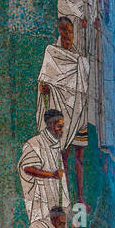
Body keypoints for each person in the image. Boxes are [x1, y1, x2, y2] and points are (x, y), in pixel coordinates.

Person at [36, 16, 89, 206]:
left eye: (69, 30)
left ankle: (81, 197)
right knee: (63, 155)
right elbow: (44, 82)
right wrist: (45, 90)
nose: (65, 34)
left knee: (79, 156)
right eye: (62, 30)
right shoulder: (52, 53)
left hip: (78, 111)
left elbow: (84, 84)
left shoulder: (80, 60)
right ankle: (63, 196)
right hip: (62, 113)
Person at [18, 110, 71, 223]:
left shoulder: (57, 146)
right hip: (41, 199)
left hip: (56, 201)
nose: (62, 130)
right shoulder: (35, 143)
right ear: (50, 125)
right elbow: (27, 168)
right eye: (59, 126)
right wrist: (52, 175)